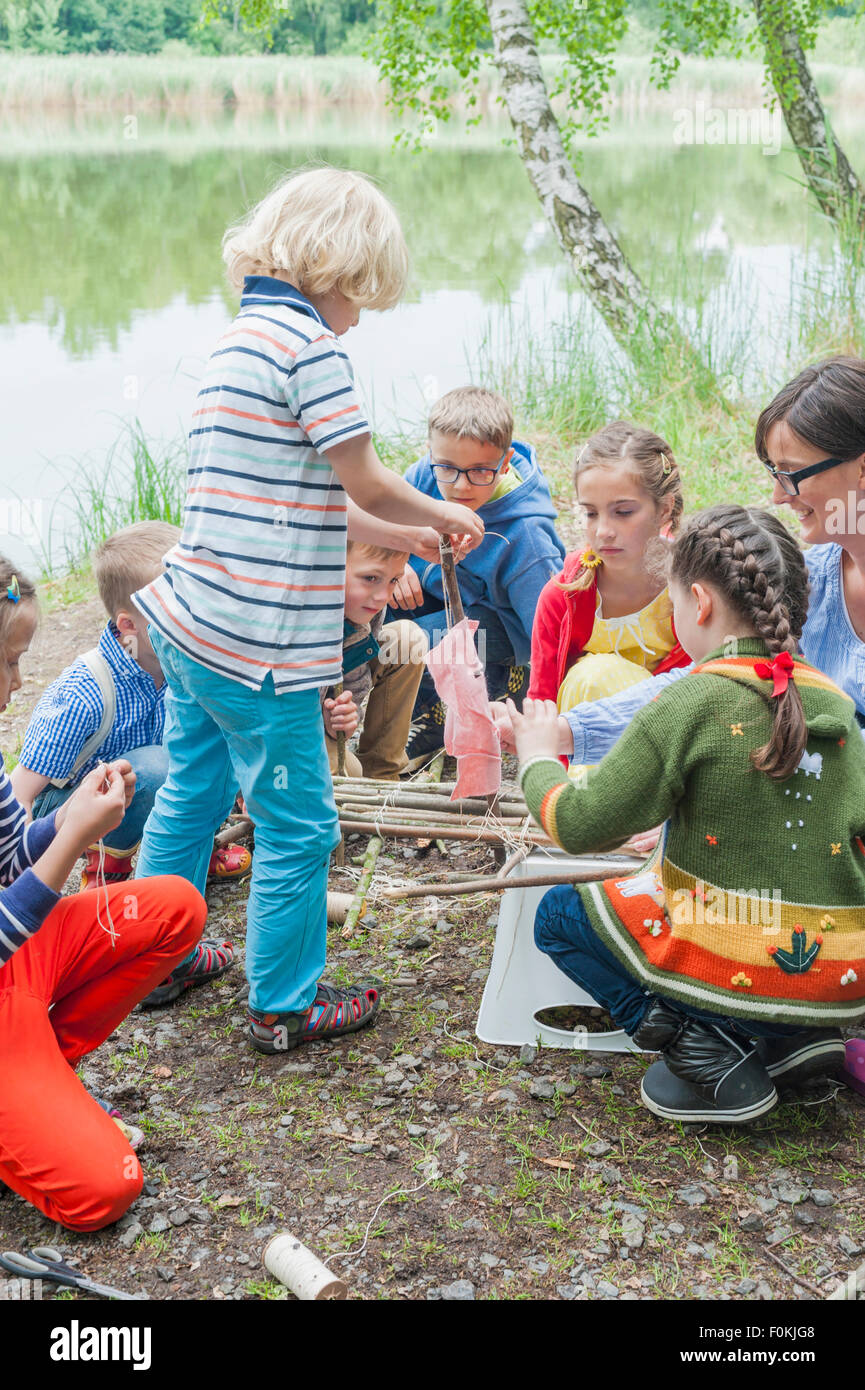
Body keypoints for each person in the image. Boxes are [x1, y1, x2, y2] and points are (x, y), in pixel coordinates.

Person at [131, 167, 483, 1054]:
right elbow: (362, 477)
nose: (359, 316)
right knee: (299, 821)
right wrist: (438, 510)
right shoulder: (312, 350)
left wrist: (406, 528)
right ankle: (283, 1003)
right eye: (361, 295)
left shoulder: (235, 340)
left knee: (193, 788)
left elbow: (325, 504)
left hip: (189, 623)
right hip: (258, 644)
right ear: (333, 264)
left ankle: (150, 958)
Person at [510, 505, 865, 1125]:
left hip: (735, 966)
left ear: (698, 602)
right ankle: (789, 1038)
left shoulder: (691, 699)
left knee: (560, 916)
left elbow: (579, 825)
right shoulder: (835, 702)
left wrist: (539, 759)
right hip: (834, 979)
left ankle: (700, 1049)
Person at [507, 357, 865, 771]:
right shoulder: (808, 580)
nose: (777, 496)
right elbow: (714, 680)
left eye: (792, 474)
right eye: (773, 473)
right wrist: (565, 731)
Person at [0, 560, 207, 1230]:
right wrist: (72, 842)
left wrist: (65, 819)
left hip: (18, 964)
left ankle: (41, 1080)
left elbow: (7, 861)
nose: (17, 683)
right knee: (104, 1190)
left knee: (176, 906)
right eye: (7, 662)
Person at [11, 521, 250, 899]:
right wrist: (23, 880)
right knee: (158, 767)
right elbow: (22, 792)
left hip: (140, 796)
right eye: (180, 609)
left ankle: (191, 849)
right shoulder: (84, 692)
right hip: (70, 807)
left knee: (204, 749)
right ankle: (108, 871)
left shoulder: (182, 668)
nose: (197, 619)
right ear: (129, 625)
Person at [389, 385, 565, 770]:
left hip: (499, 625)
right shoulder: (425, 475)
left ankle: (446, 714)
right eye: (447, 468)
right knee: (377, 618)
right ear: (432, 453)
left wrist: (546, 715)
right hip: (440, 595)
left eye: (480, 471)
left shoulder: (527, 538)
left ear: (505, 464)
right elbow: (384, 526)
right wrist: (397, 565)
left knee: (417, 645)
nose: (461, 485)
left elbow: (550, 632)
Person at [528, 421, 690, 713]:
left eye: (623, 512)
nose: (603, 531)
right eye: (590, 513)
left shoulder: (696, 586)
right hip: (589, 748)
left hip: (674, 734)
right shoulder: (562, 596)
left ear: (665, 508)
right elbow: (543, 701)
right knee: (592, 678)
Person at [322, 541, 427, 780]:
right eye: (370, 578)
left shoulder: (368, 608)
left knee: (407, 639)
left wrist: (341, 722)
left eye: (393, 580)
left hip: (317, 717)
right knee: (347, 772)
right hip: (279, 733)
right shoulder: (308, 617)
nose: (383, 596)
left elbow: (353, 683)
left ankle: (382, 776)